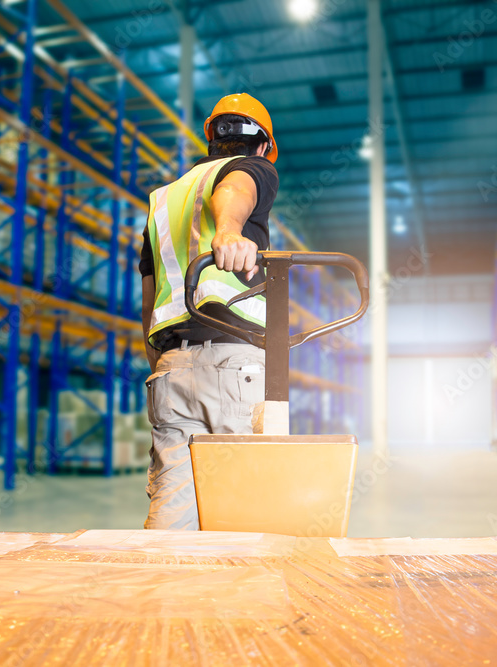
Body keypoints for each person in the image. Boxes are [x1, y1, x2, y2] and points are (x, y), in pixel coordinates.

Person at [139, 93, 279, 530]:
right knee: (246, 509)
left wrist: (161, 363)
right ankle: (244, 600)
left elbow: (149, 297)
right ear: (262, 146)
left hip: (170, 366)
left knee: (173, 509)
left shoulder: (164, 199)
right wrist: (230, 231)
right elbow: (237, 190)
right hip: (235, 362)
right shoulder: (253, 169)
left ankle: (163, 594)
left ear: (212, 140)